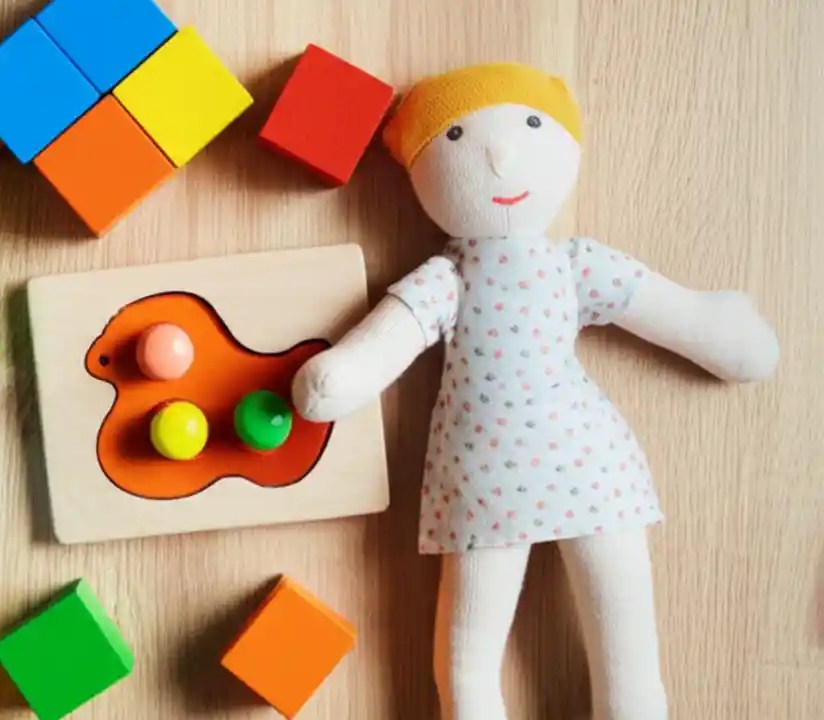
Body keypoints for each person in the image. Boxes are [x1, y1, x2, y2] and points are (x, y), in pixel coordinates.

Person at [291, 62, 779, 720]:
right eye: (457, 137)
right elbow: (387, 342)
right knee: (469, 656)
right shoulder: (448, 277)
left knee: (621, 648)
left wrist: (725, 335)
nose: (499, 155)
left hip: (583, 467)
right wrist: (338, 376)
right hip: (488, 484)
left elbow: (673, 314)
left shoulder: (576, 262)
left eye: (528, 124)